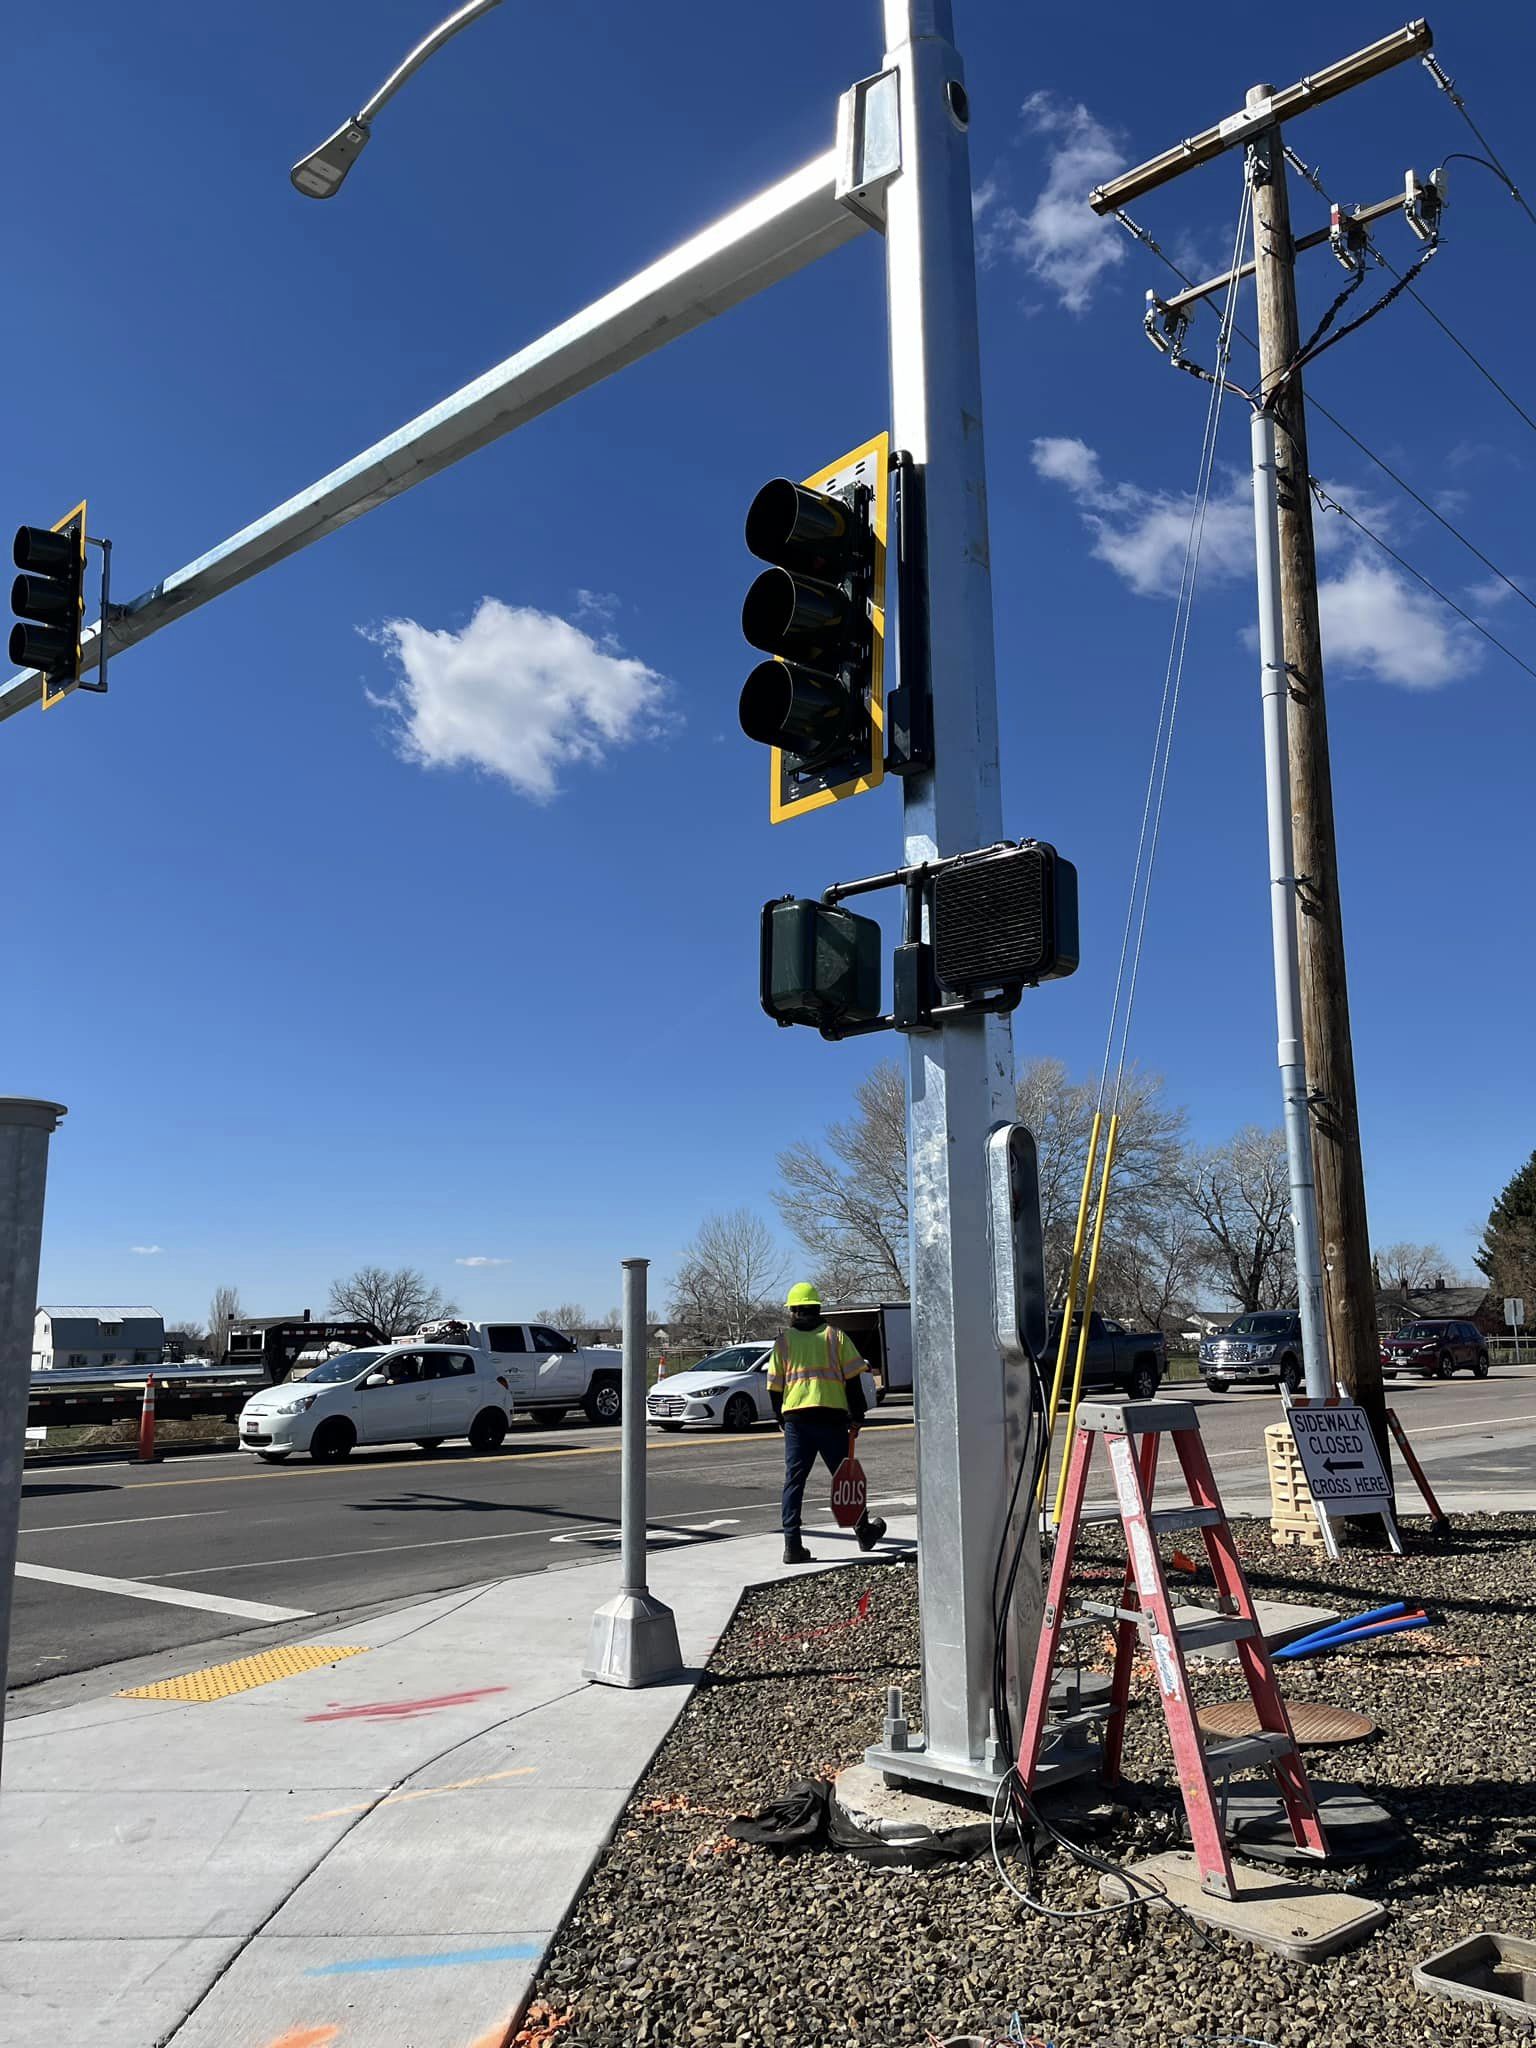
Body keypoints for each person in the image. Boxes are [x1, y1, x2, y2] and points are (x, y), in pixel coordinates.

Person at [768, 1282, 888, 1565]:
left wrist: (780, 1419)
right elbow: (854, 1380)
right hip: (831, 1419)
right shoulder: (835, 1337)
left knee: (794, 1481)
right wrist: (858, 1416)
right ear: (817, 1307)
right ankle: (864, 1532)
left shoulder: (783, 1342)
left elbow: (774, 1387)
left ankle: (792, 1545)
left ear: (794, 1311)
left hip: (797, 1420)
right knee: (846, 1478)